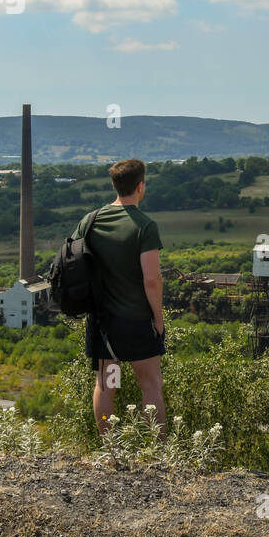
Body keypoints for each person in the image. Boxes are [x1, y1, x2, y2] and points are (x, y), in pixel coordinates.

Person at [72, 158, 166, 434]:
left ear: (115, 185)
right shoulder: (144, 226)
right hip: (137, 321)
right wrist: (158, 320)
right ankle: (158, 451)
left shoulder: (89, 222)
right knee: (149, 383)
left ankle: (110, 448)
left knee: (107, 383)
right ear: (140, 187)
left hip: (102, 323)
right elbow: (152, 279)